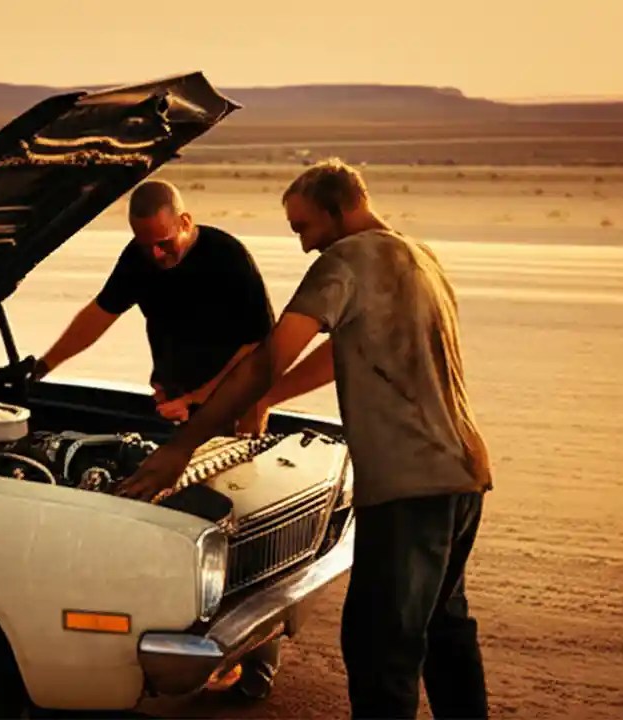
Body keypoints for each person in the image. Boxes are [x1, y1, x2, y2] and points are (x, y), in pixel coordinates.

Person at [118, 159, 493, 719]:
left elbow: (269, 356)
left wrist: (182, 446)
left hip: (409, 484)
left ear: (338, 211)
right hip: (463, 474)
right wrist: (267, 401)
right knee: (444, 630)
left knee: (379, 648)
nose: (303, 246)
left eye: (305, 228)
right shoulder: (418, 257)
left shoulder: (346, 260)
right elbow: (343, 354)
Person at [33, 178, 283, 698]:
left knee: (237, 522)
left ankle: (255, 664)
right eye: (146, 243)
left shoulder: (226, 258)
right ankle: (181, 638)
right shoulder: (140, 257)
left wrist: (202, 399)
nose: (157, 253)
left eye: (165, 241)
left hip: (237, 398)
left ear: (187, 223)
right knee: (177, 519)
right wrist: (42, 365)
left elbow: (260, 347)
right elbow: (99, 315)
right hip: (176, 398)